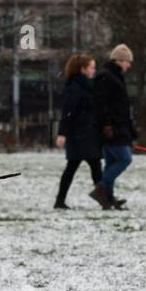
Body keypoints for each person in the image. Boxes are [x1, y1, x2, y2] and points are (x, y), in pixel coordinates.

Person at [92, 43, 138, 210]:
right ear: (119, 60)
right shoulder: (107, 77)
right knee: (124, 159)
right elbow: (101, 104)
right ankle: (101, 189)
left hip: (117, 128)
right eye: (127, 61)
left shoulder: (114, 76)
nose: (129, 65)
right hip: (113, 129)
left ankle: (108, 198)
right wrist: (106, 125)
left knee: (111, 163)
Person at [54, 53, 101, 210]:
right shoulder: (75, 87)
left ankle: (60, 200)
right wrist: (62, 133)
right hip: (79, 135)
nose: (94, 70)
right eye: (92, 67)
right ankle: (105, 199)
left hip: (87, 133)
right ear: (83, 69)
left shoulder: (87, 85)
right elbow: (68, 111)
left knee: (86, 167)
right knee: (88, 166)